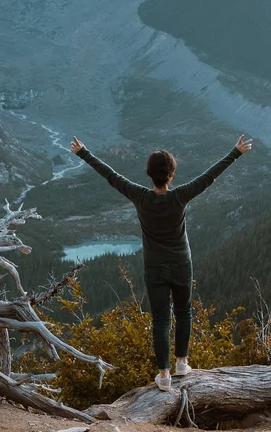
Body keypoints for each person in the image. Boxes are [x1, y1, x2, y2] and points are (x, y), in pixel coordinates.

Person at [69, 133, 254, 391]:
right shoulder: (180, 196)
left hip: (154, 268)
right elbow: (209, 177)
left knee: (160, 321)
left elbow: (111, 176)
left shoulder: (141, 197)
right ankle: (182, 363)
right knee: (184, 313)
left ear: (149, 174)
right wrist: (235, 152)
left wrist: (83, 153)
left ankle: (164, 376)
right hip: (181, 264)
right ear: (171, 174)